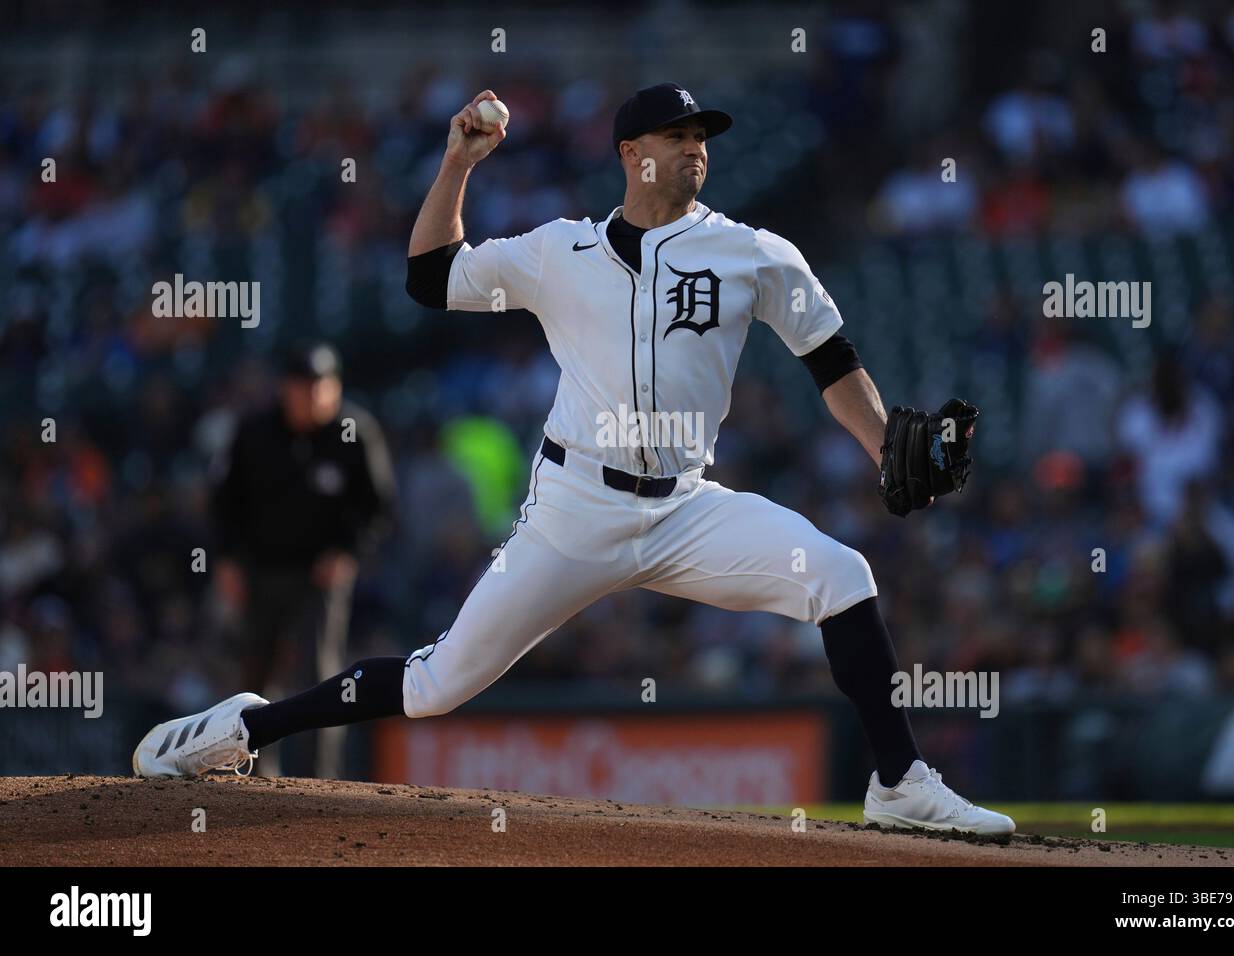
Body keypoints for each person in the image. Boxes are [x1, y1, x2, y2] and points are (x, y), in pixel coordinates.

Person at [135, 84, 1013, 835]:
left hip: (686, 509)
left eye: (702, 137)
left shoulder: (753, 253)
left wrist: (880, 449)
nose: (696, 149)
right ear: (633, 153)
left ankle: (899, 786)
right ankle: (248, 727)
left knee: (842, 573)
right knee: (438, 686)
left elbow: (833, 362)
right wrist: (459, 165)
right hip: (573, 509)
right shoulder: (560, 250)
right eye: (679, 137)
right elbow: (429, 277)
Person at [207, 342, 396, 778]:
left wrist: (348, 553)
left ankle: (318, 783)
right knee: (256, 676)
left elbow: (380, 507)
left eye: (320, 387)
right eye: (302, 386)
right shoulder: (253, 432)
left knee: (321, 677)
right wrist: (227, 561)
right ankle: (252, 774)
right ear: (284, 389)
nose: (311, 396)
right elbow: (223, 503)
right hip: (262, 569)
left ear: (336, 388)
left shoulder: (354, 431)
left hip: (321, 574)